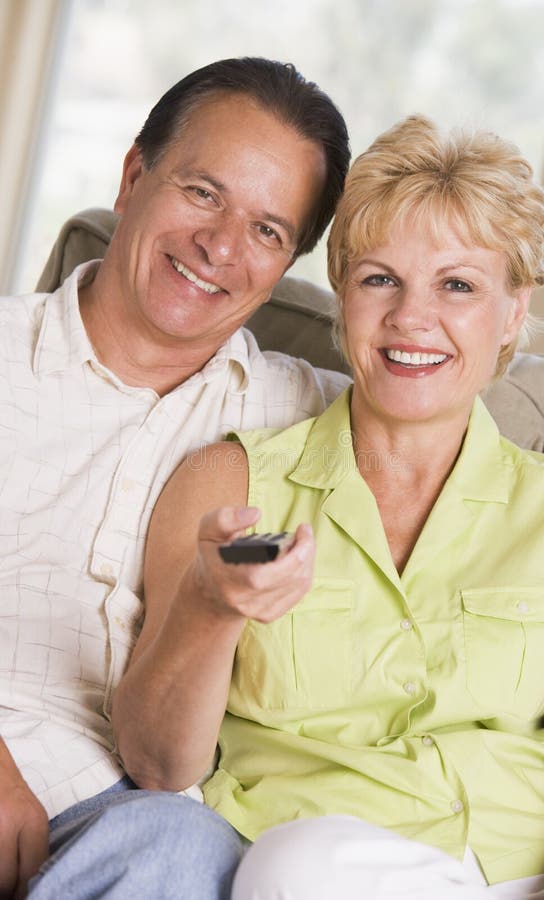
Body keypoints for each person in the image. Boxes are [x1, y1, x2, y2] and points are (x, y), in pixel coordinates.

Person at [125, 114, 544, 899]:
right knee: (303, 864)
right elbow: (157, 763)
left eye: (459, 285)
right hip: (308, 874)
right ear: (343, 295)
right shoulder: (229, 484)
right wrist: (210, 609)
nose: (412, 318)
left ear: (512, 312)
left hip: (533, 877)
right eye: (381, 278)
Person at [0, 57, 350, 899]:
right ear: (133, 178)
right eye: (203, 192)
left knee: (186, 850)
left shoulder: (301, 414)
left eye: (268, 231)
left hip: (124, 824)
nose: (222, 247)